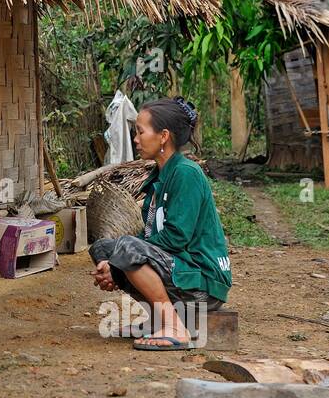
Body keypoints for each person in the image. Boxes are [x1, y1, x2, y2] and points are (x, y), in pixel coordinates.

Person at [89, 97, 231, 351]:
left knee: (127, 249)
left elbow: (176, 238)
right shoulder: (159, 176)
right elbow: (150, 237)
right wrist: (110, 261)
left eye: (140, 132)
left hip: (203, 281)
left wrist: (118, 262)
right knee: (103, 247)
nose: (135, 139)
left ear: (163, 136)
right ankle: (156, 320)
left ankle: (175, 327)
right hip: (180, 272)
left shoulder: (186, 173)